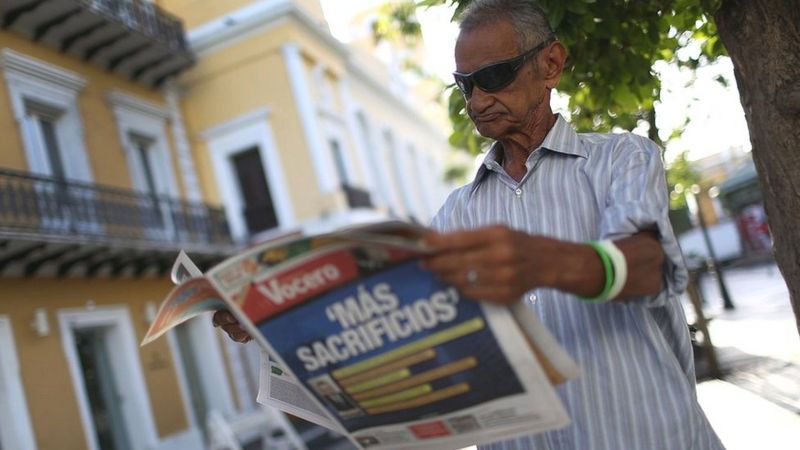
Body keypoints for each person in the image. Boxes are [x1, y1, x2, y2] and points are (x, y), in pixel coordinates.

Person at [215, 0, 724, 448]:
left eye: (494, 77)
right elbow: (408, 333)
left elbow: (647, 266)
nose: (476, 100)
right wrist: (280, 321)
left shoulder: (621, 159)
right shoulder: (455, 215)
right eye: (465, 84)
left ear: (550, 64)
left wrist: (547, 261)